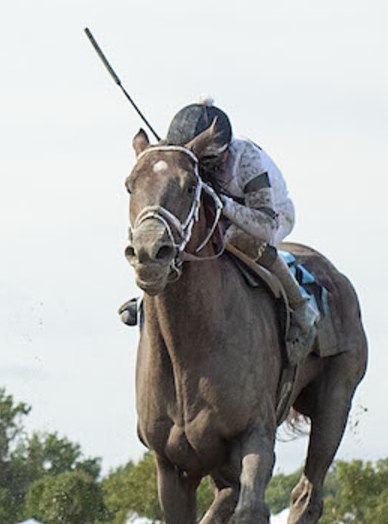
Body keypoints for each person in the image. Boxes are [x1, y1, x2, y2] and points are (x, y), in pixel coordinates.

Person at [121, 100, 319, 358]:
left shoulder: (246, 160)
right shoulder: (178, 151)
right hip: (214, 208)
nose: (206, 166)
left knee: (230, 236)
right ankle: (147, 299)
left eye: (212, 159)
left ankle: (300, 305)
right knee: (178, 234)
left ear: (226, 150)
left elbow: (266, 227)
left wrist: (223, 204)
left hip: (269, 214)